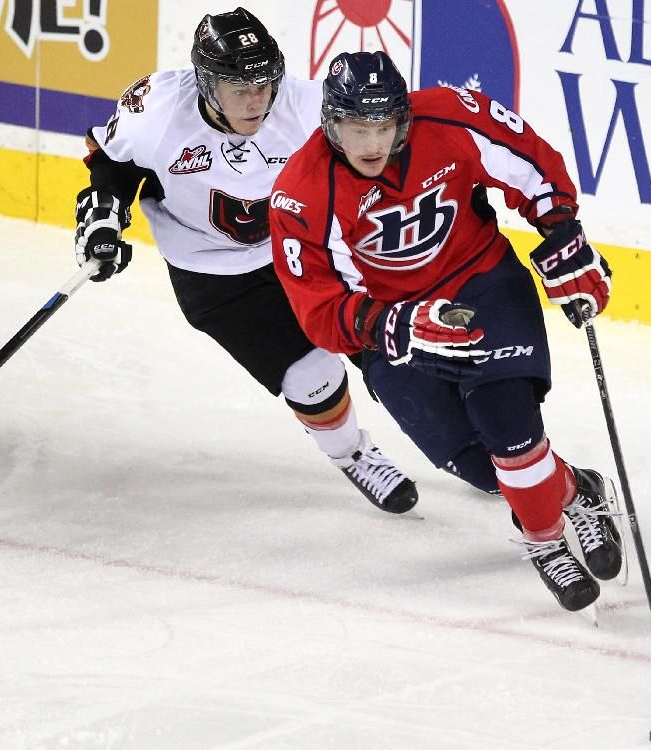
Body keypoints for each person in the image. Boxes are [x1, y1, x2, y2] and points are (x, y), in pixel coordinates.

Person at [268, 50, 623, 612]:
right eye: (357, 129)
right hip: (392, 327)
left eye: (384, 126)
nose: (372, 144)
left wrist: (561, 233)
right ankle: (577, 489)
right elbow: (319, 308)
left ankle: (544, 541)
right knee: (487, 471)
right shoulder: (302, 192)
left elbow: (531, 162)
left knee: (510, 429)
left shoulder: (451, 115)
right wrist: (392, 323)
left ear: (403, 118)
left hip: (481, 286)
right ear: (331, 125)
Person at [71, 9, 417, 513]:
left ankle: (476, 447)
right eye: (239, 89)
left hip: (300, 247)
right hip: (213, 272)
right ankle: (353, 454)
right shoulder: (158, 110)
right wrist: (103, 216)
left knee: (392, 343)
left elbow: (377, 154)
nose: (256, 100)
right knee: (311, 375)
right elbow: (113, 163)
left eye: (263, 84)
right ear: (206, 85)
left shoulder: (305, 106)